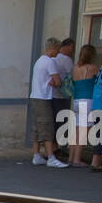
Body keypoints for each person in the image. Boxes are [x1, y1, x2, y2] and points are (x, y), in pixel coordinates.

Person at [29, 38, 68, 167]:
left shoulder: (39, 61)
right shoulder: (50, 62)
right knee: (47, 128)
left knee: (37, 127)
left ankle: (36, 154)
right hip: (44, 98)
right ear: (52, 48)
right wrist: (54, 82)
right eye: (57, 49)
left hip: (35, 96)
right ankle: (51, 157)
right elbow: (58, 82)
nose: (58, 52)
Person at [69, 44, 98, 160]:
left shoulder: (75, 68)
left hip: (76, 100)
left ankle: (71, 157)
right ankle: (77, 159)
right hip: (87, 100)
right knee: (84, 130)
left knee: (76, 130)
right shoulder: (92, 68)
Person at [51, 37, 75, 158]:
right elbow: (73, 75)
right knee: (61, 122)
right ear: (69, 46)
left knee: (54, 121)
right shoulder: (66, 60)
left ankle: (53, 148)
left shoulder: (53, 58)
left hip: (52, 94)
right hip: (62, 95)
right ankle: (58, 148)